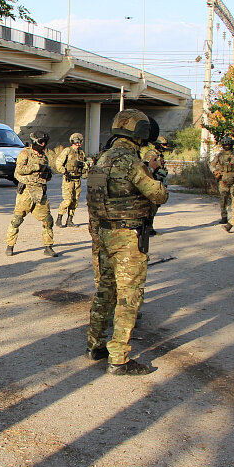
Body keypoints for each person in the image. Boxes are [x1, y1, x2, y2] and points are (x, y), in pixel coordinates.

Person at [86, 109, 168, 376]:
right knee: (129, 297)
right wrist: (155, 173)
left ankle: (95, 345)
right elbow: (158, 195)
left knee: (105, 291)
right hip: (129, 236)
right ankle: (118, 358)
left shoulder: (101, 160)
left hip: (105, 234)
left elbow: (96, 200)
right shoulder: (133, 163)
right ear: (140, 133)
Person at [6, 131, 57, 257]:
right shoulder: (25, 153)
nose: (43, 145)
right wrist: (36, 167)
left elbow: (46, 174)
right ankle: (10, 245)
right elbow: (18, 171)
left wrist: (47, 173)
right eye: (41, 143)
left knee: (48, 220)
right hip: (26, 191)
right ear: (35, 142)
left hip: (40, 191)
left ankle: (48, 247)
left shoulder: (43, 156)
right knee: (17, 220)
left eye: (45, 143)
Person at [54, 132, 89, 227]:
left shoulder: (81, 153)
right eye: (78, 141)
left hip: (77, 180)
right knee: (67, 200)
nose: (79, 143)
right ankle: (59, 219)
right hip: (68, 179)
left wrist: (83, 165)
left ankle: (70, 220)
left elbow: (87, 164)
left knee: (75, 201)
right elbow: (58, 163)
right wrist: (65, 172)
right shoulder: (67, 151)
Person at [210, 137, 234, 223]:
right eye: (225, 145)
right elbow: (212, 164)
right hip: (223, 179)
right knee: (223, 199)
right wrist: (215, 171)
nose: (227, 146)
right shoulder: (219, 155)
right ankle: (224, 217)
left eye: (228, 145)